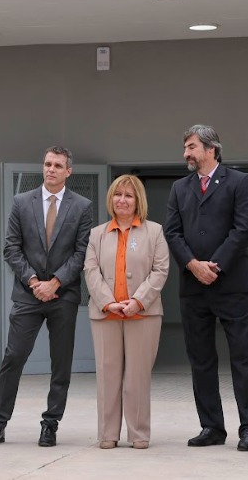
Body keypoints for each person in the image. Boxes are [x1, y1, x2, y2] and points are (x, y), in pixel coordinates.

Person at [0, 146, 92, 448]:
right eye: (47, 164)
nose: (51, 169)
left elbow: (82, 253)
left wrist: (55, 283)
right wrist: (33, 281)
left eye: (58, 165)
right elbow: (11, 248)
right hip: (28, 295)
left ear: (69, 171)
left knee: (61, 363)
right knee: (13, 357)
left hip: (63, 295)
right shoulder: (21, 202)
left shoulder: (82, 206)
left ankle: (50, 424)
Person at [164, 124, 248, 451]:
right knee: (201, 360)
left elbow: (243, 230)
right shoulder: (180, 187)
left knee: (242, 358)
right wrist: (193, 265)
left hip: (231, 284)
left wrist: (215, 266)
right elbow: (173, 233)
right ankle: (211, 427)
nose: (186, 154)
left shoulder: (239, 182)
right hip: (193, 287)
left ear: (211, 149)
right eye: (185, 147)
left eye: (191, 146)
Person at [83, 174, 168, 450]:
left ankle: (139, 433)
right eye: (118, 194)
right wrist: (108, 302)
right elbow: (91, 270)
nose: (122, 200)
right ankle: (107, 434)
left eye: (129, 196)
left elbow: (160, 270)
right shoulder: (97, 234)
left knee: (137, 376)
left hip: (142, 314)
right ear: (111, 199)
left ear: (138, 201)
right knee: (107, 375)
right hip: (106, 314)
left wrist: (138, 301)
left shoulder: (154, 231)